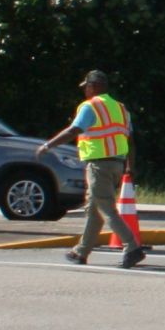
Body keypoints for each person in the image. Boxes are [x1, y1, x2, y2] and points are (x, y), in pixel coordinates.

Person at [37, 70, 143, 269]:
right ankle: (81, 251)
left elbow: (74, 130)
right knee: (94, 210)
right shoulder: (121, 108)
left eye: (86, 86)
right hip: (116, 165)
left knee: (106, 208)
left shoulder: (90, 107)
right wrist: (130, 166)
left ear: (94, 86)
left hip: (98, 165)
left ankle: (132, 247)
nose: (85, 90)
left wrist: (48, 145)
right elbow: (130, 140)